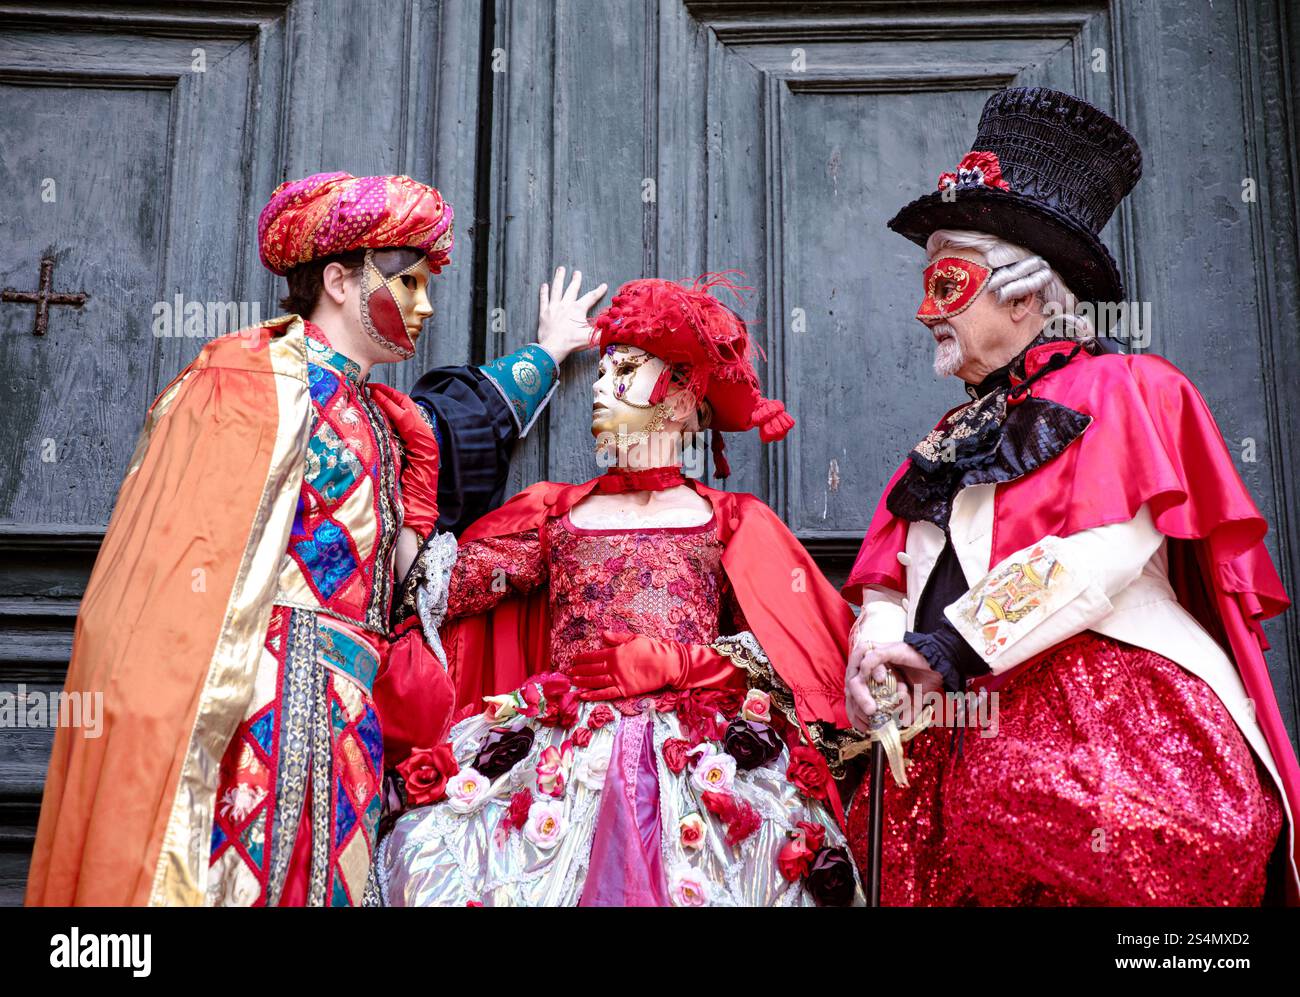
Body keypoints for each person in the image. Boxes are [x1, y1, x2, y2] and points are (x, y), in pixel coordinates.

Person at [26, 171, 604, 906]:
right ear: (338, 277)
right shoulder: (242, 382)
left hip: (351, 723)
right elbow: (172, 577)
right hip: (249, 710)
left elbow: (456, 443)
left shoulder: (395, 425)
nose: (426, 306)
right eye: (411, 283)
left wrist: (548, 356)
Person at [841, 87, 1299, 906]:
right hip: (952, 733)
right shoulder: (944, 441)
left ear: (1023, 293)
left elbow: (1100, 553)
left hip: (1109, 715)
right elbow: (890, 570)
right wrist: (878, 651)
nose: (922, 314)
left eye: (947, 283)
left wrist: (951, 647)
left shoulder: (1127, 387)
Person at [377, 274, 863, 906]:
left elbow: (805, 668)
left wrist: (685, 663)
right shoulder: (554, 514)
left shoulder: (731, 522)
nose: (600, 390)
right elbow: (427, 595)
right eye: (601, 373)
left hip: (700, 768)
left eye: (625, 371)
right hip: (558, 761)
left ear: (685, 397)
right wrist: (408, 479)